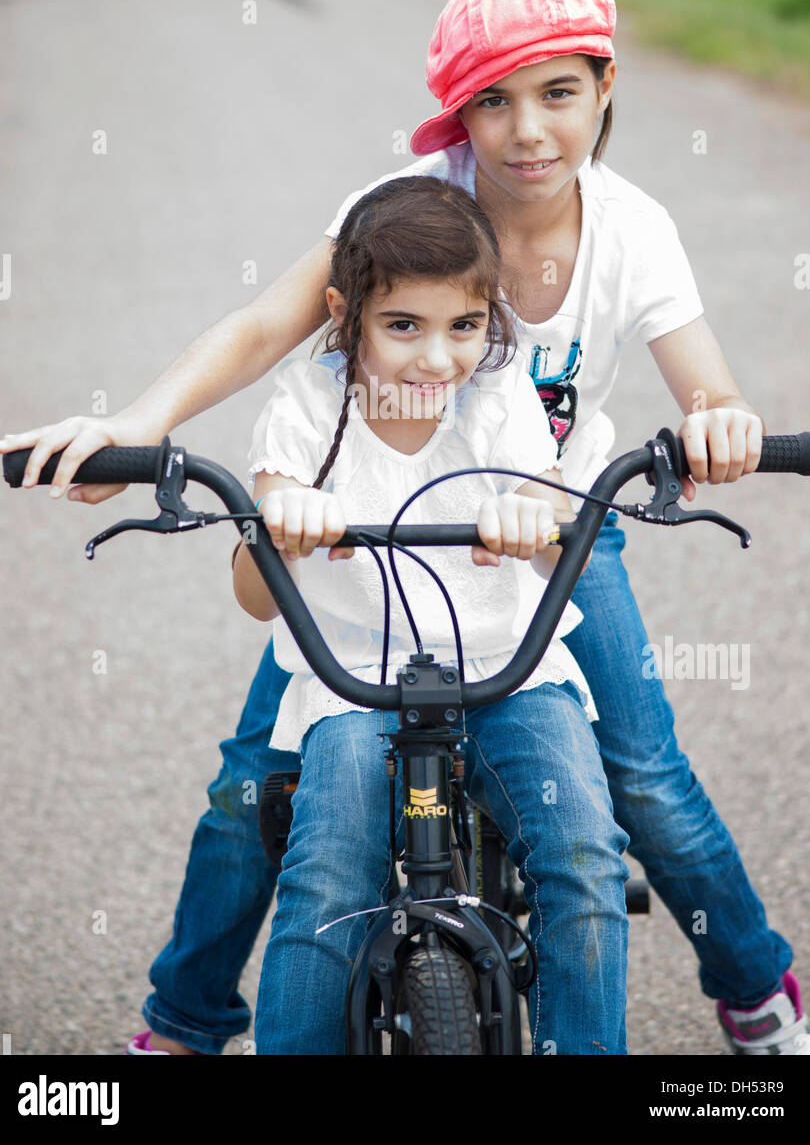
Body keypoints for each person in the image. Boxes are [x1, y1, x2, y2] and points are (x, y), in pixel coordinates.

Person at [0, 0, 810, 1057]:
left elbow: (704, 383)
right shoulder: (405, 216)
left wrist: (718, 419)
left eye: (557, 93)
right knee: (257, 791)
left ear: (605, 87)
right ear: (457, 114)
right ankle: (184, 1022)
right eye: (492, 99)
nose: (527, 130)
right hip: (360, 527)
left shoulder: (632, 232)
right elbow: (260, 329)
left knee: (636, 781)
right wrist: (137, 423)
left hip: (543, 521)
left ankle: (754, 988)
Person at [232, 174, 628, 1054]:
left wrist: (536, 521)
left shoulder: (498, 399)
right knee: (327, 877)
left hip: (507, 674)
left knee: (585, 858)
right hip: (354, 688)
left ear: (491, 319)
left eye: (464, 327)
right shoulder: (307, 409)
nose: (437, 360)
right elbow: (253, 593)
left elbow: (559, 535)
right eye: (401, 326)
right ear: (345, 314)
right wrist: (284, 527)